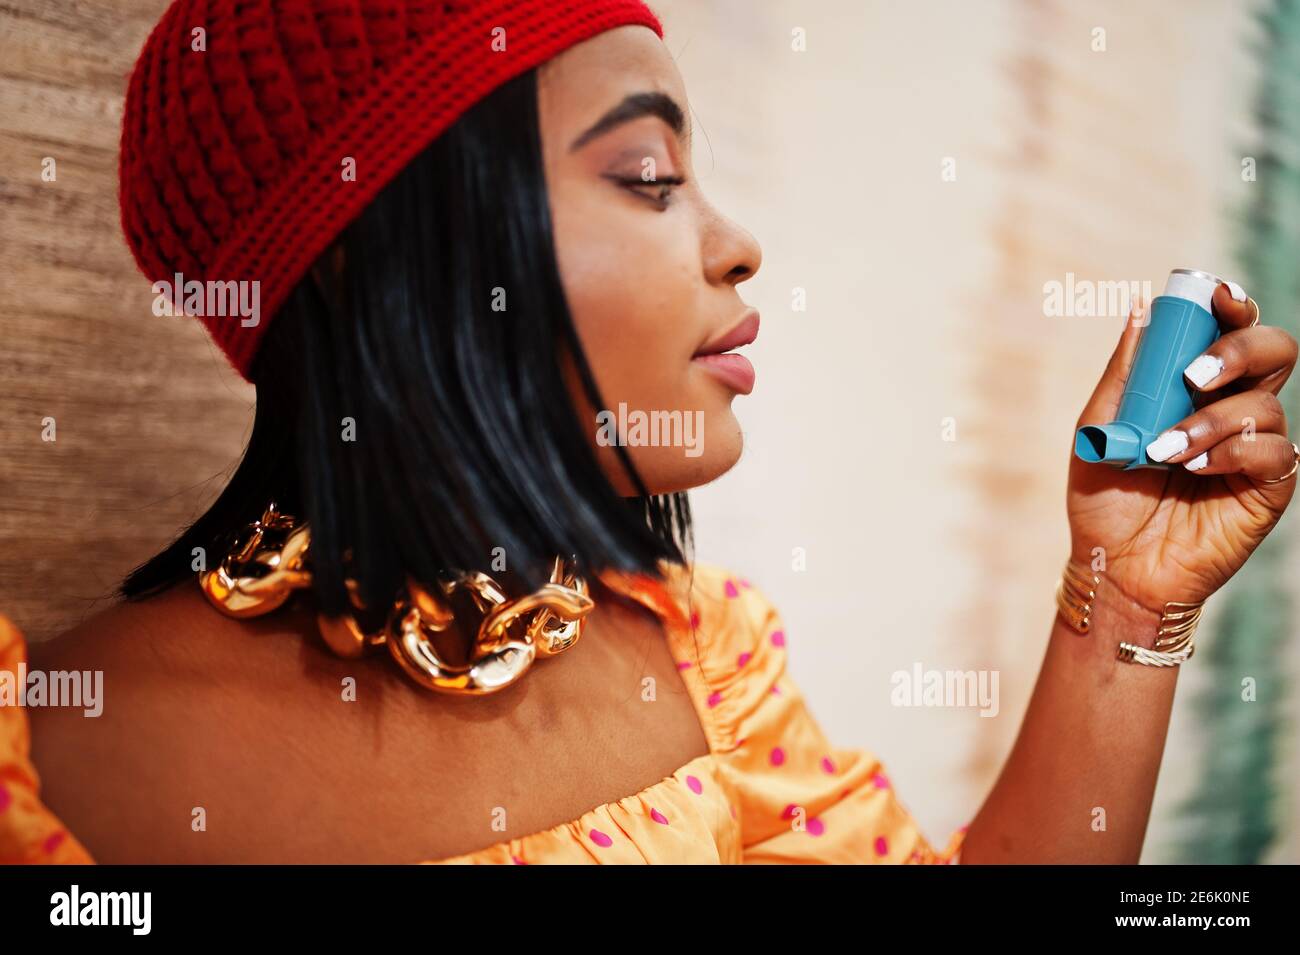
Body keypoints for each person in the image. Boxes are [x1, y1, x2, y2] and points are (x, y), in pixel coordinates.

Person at [2, 0, 1296, 865]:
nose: (736, 245)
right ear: (376, 252)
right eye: (648, 179)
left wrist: (1124, 599)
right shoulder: (49, 768)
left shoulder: (701, 659)